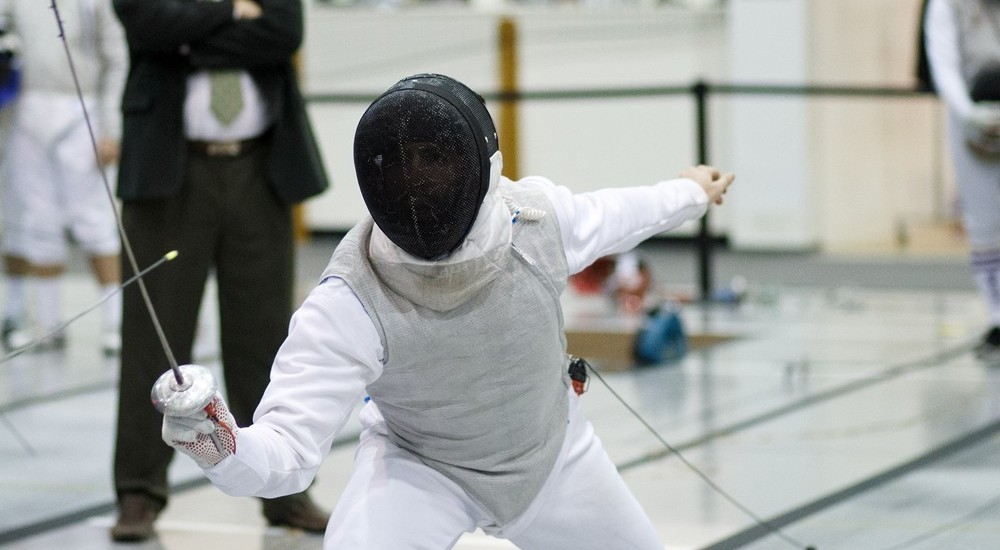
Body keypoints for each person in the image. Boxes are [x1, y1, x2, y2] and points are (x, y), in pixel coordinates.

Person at [157, 73, 735, 548]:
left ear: (486, 164)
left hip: (554, 459)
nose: (416, 181)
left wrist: (690, 192)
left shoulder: (536, 224)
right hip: (419, 469)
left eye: (434, 158)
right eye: (398, 163)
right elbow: (288, 452)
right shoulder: (350, 298)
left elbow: (624, 211)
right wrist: (218, 443)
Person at [110, 0, 330, 541]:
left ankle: (284, 492)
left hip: (259, 169)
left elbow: (282, 34)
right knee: (153, 336)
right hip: (170, 174)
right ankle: (139, 490)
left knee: (265, 337)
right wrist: (232, 11)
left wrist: (187, 41)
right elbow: (146, 22)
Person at [0, 0, 126, 355]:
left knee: (94, 220)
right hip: (25, 112)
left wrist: (112, 129)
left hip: (83, 111)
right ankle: (49, 324)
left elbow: (117, 60)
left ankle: (115, 323)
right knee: (38, 220)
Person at [925, 0, 1000, 363]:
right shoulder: (947, 4)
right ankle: (998, 318)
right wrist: (972, 115)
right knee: (984, 225)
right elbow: (944, 63)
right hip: (970, 122)